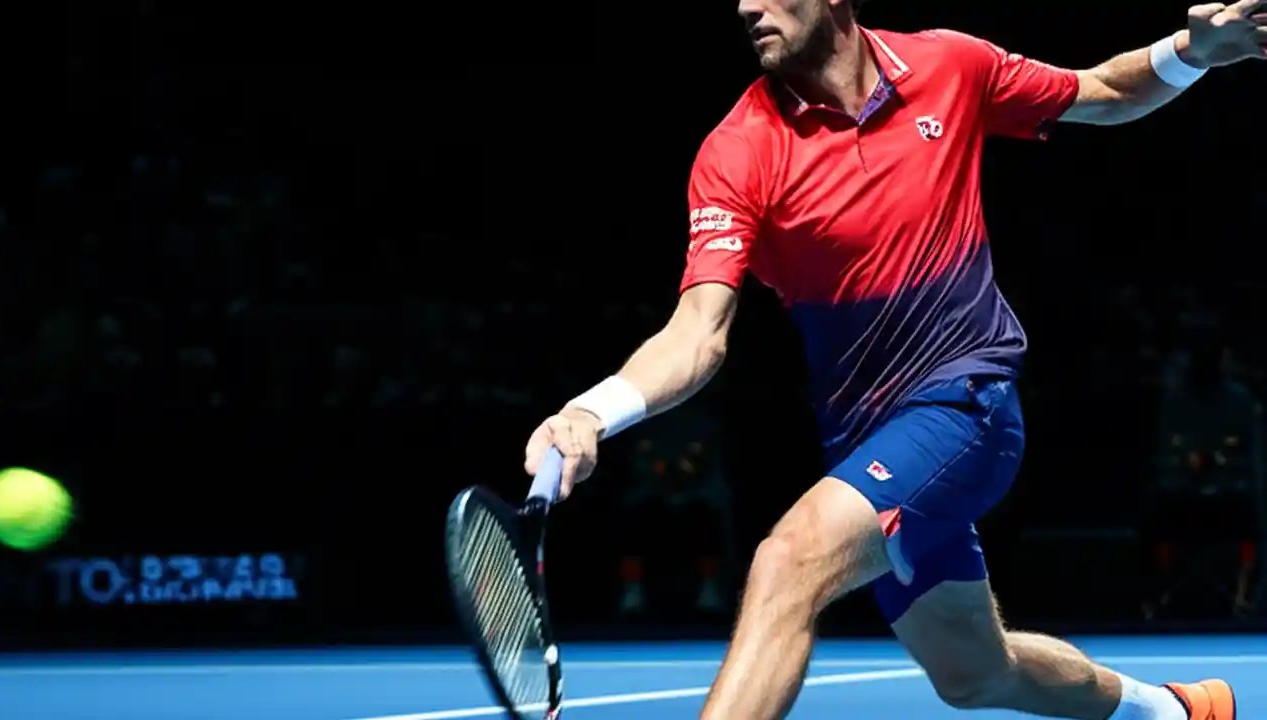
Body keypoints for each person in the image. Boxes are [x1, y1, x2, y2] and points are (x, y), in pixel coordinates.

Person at [523, 1, 1265, 718]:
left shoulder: (949, 64)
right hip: (866, 438)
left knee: (789, 562)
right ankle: (1169, 711)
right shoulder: (739, 148)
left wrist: (1191, 53)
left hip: (965, 402)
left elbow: (1098, 91)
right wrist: (593, 409)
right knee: (974, 674)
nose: (748, 7)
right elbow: (698, 332)